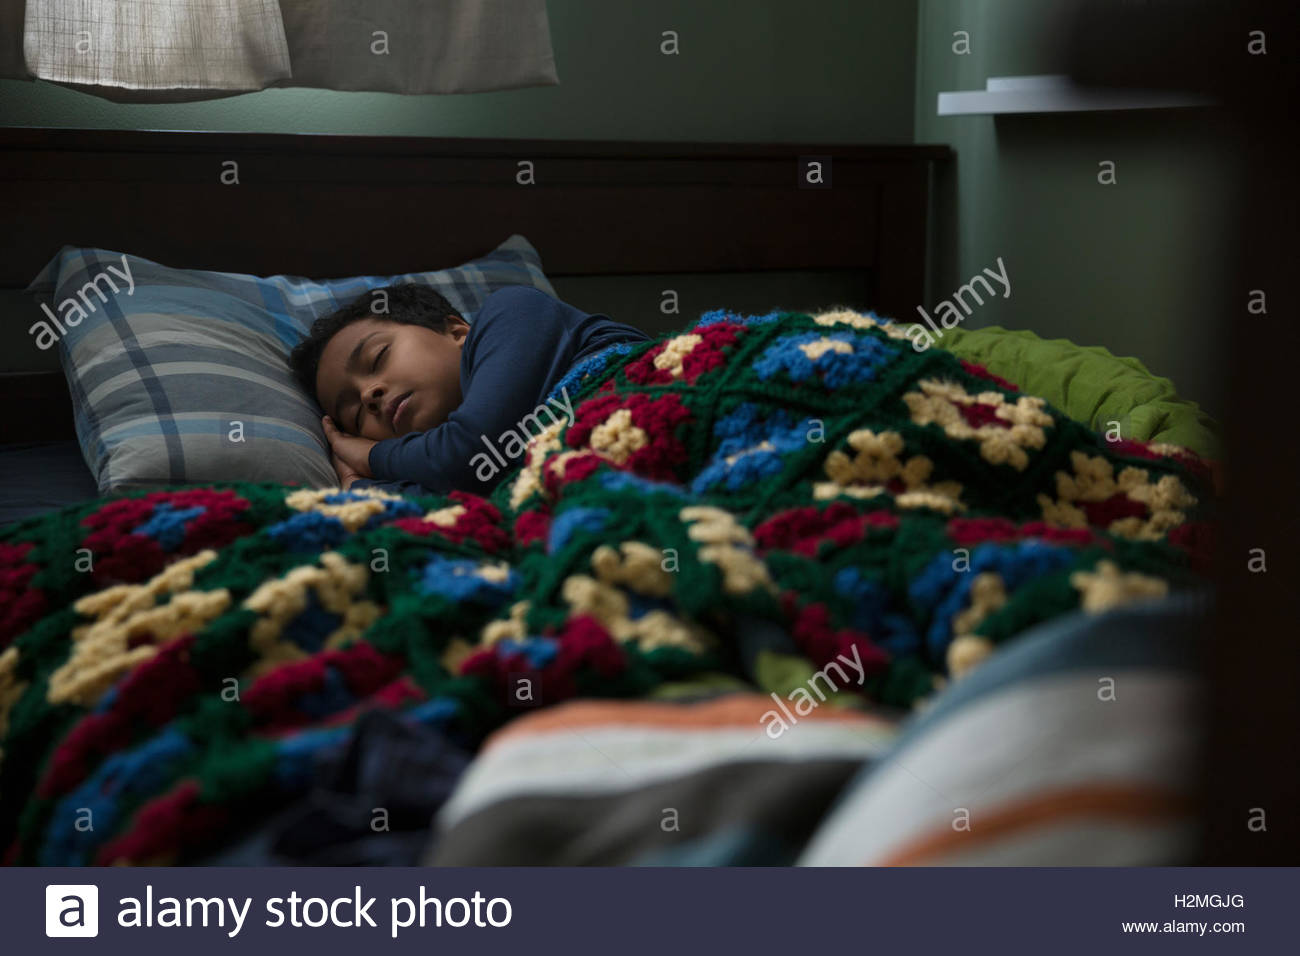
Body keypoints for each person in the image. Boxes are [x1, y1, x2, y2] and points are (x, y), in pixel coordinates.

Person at [288, 283, 650, 496]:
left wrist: (368, 458)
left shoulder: (513, 310)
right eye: (353, 414)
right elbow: (460, 494)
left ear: (458, 332)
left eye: (377, 357)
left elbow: (468, 451)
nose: (369, 395)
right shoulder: (470, 475)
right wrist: (356, 487)